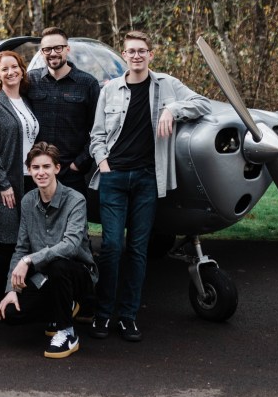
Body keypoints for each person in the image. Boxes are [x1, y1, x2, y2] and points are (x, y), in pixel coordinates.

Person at [88, 30, 211, 342]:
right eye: (131, 51)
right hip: (113, 177)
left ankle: (128, 317)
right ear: (124, 55)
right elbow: (97, 135)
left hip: (147, 179)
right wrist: (103, 162)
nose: (137, 56)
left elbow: (202, 104)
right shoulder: (110, 89)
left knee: (139, 250)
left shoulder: (167, 84)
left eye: (142, 51)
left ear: (151, 55)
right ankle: (103, 315)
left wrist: (173, 109)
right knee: (113, 247)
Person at [0, 142, 97, 359]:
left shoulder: (75, 200)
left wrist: (29, 260)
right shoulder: (28, 201)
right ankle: (60, 308)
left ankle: (67, 332)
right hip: (46, 277)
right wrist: (11, 289)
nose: (41, 173)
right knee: (10, 314)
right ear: (30, 171)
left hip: (77, 274)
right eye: (35, 168)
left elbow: (70, 246)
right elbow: (21, 247)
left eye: (46, 167)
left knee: (57, 263)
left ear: (57, 169)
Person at [0, 27, 99, 198]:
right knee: (36, 222)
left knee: (73, 222)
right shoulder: (31, 80)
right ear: (42, 52)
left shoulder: (88, 84)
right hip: (37, 173)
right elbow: (9, 97)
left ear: (67, 49)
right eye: (47, 49)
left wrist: (79, 163)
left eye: (58, 48)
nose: (53, 53)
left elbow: (98, 130)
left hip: (71, 172)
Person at [0, 50, 38, 318]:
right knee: (7, 242)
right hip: (6, 181)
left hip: (30, 180)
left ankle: (17, 296)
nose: (11, 72)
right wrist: (3, 184)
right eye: (5, 69)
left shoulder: (26, 102)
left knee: (27, 241)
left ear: (22, 70)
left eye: (15, 67)